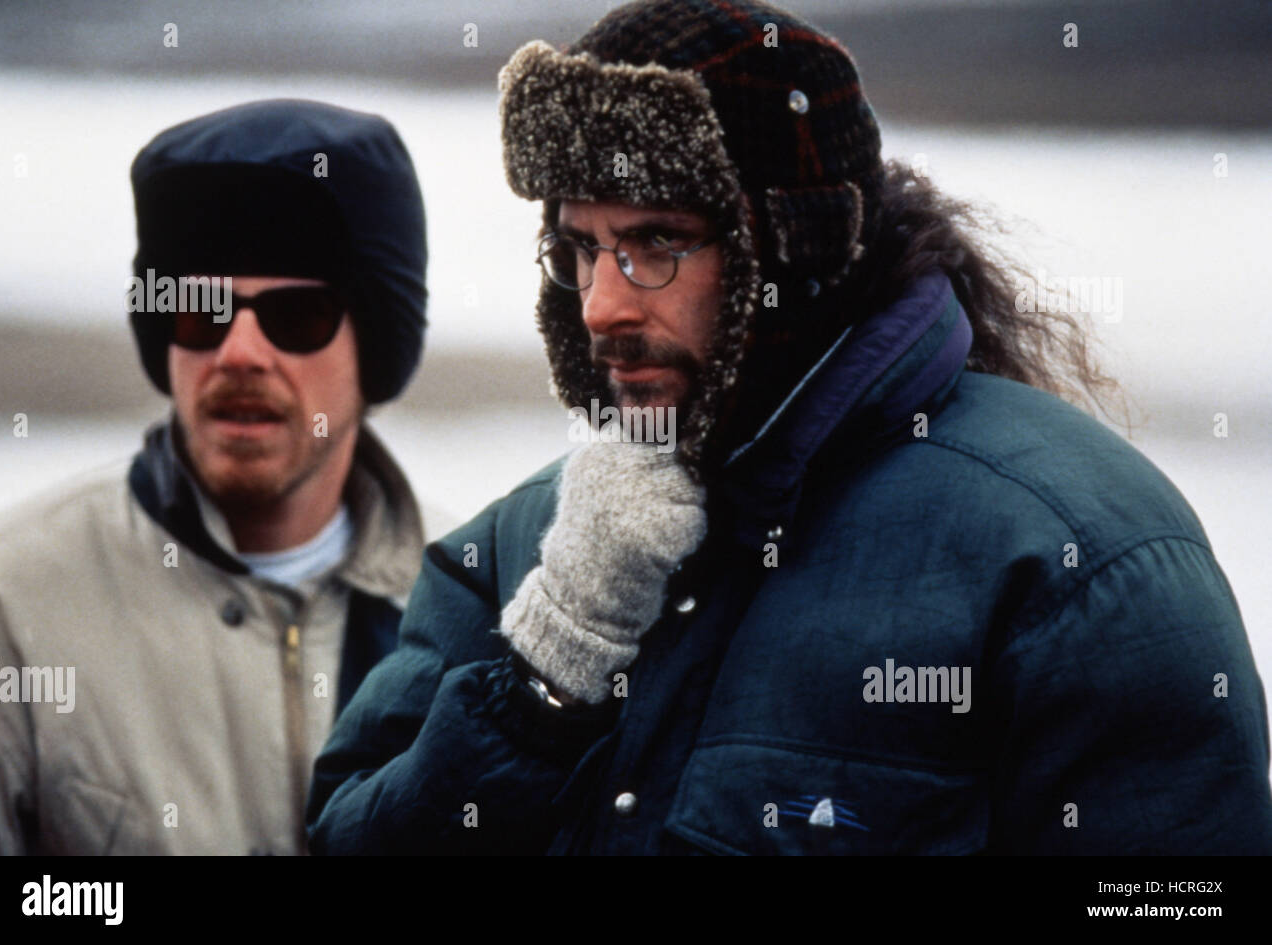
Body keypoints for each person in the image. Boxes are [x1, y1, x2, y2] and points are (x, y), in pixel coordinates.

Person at [307, 0, 1272, 854]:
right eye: (579, 248)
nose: (600, 305)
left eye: (659, 243)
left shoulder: (1074, 561)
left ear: (796, 245)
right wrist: (548, 683)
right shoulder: (522, 550)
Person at [0, 99, 431, 854]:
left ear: (377, 346)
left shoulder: (480, 606)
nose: (241, 352)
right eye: (199, 309)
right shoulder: (5, 615)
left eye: (297, 315)